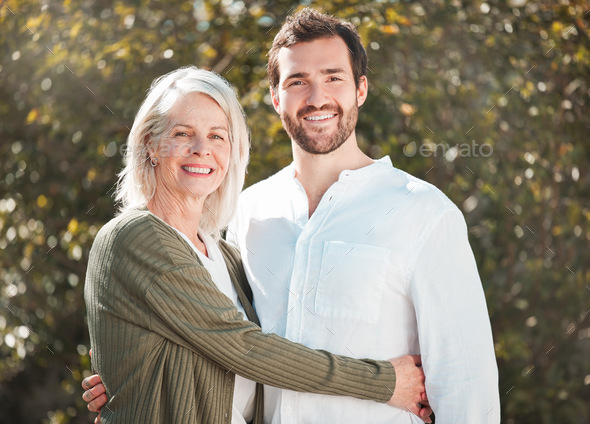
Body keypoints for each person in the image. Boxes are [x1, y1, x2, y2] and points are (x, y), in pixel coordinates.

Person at [83, 66, 432, 424]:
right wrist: (384, 382)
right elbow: (245, 348)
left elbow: (254, 352)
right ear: (150, 146)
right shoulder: (134, 238)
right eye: (183, 133)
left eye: (218, 136)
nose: (202, 149)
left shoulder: (225, 254)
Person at [226, 8, 501, 423]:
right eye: (298, 81)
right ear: (275, 97)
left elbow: (466, 384)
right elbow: (223, 347)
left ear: (361, 89)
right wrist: (138, 380)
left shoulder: (423, 212)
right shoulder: (250, 210)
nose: (317, 97)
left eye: (333, 77)